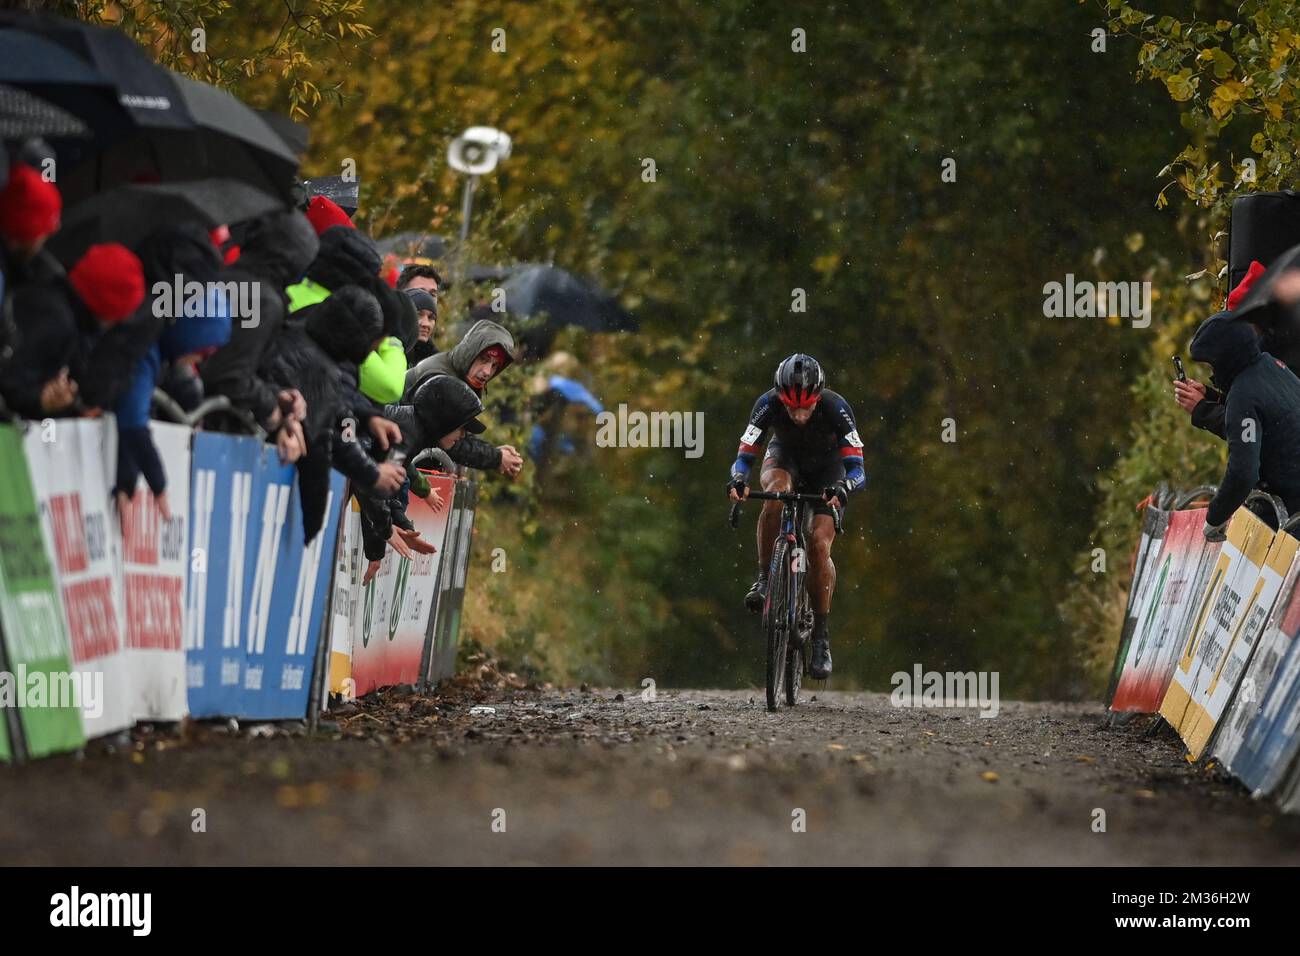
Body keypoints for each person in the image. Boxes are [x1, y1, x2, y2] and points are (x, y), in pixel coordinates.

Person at [726, 353, 867, 680]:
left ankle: (820, 634)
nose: (800, 416)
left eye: (806, 408)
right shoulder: (767, 404)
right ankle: (764, 579)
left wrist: (844, 486)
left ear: (818, 398)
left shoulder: (836, 408)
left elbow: (858, 469)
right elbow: (744, 457)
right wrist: (738, 479)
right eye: (791, 409)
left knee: (818, 544)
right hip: (785, 458)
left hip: (829, 472)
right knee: (775, 495)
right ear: (780, 399)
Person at [1187, 313, 1300, 539]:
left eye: (1212, 364)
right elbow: (1263, 417)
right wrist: (1210, 397)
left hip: (1292, 512)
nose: (1212, 372)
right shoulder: (1270, 364)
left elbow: (1243, 473)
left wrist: (1214, 519)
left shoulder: (1243, 396)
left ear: (1224, 358)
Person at [404, 317, 523, 478]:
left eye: (494, 365)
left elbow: (458, 434)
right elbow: (452, 443)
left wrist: (495, 453)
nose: (487, 371)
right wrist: (497, 458)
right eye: (484, 359)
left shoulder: (458, 373)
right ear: (470, 353)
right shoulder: (442, 380)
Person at [396, 264, 443, 364]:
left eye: (432, 294)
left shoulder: (437, 362)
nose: (427, 298)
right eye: (420, 291)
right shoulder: (380, 344)